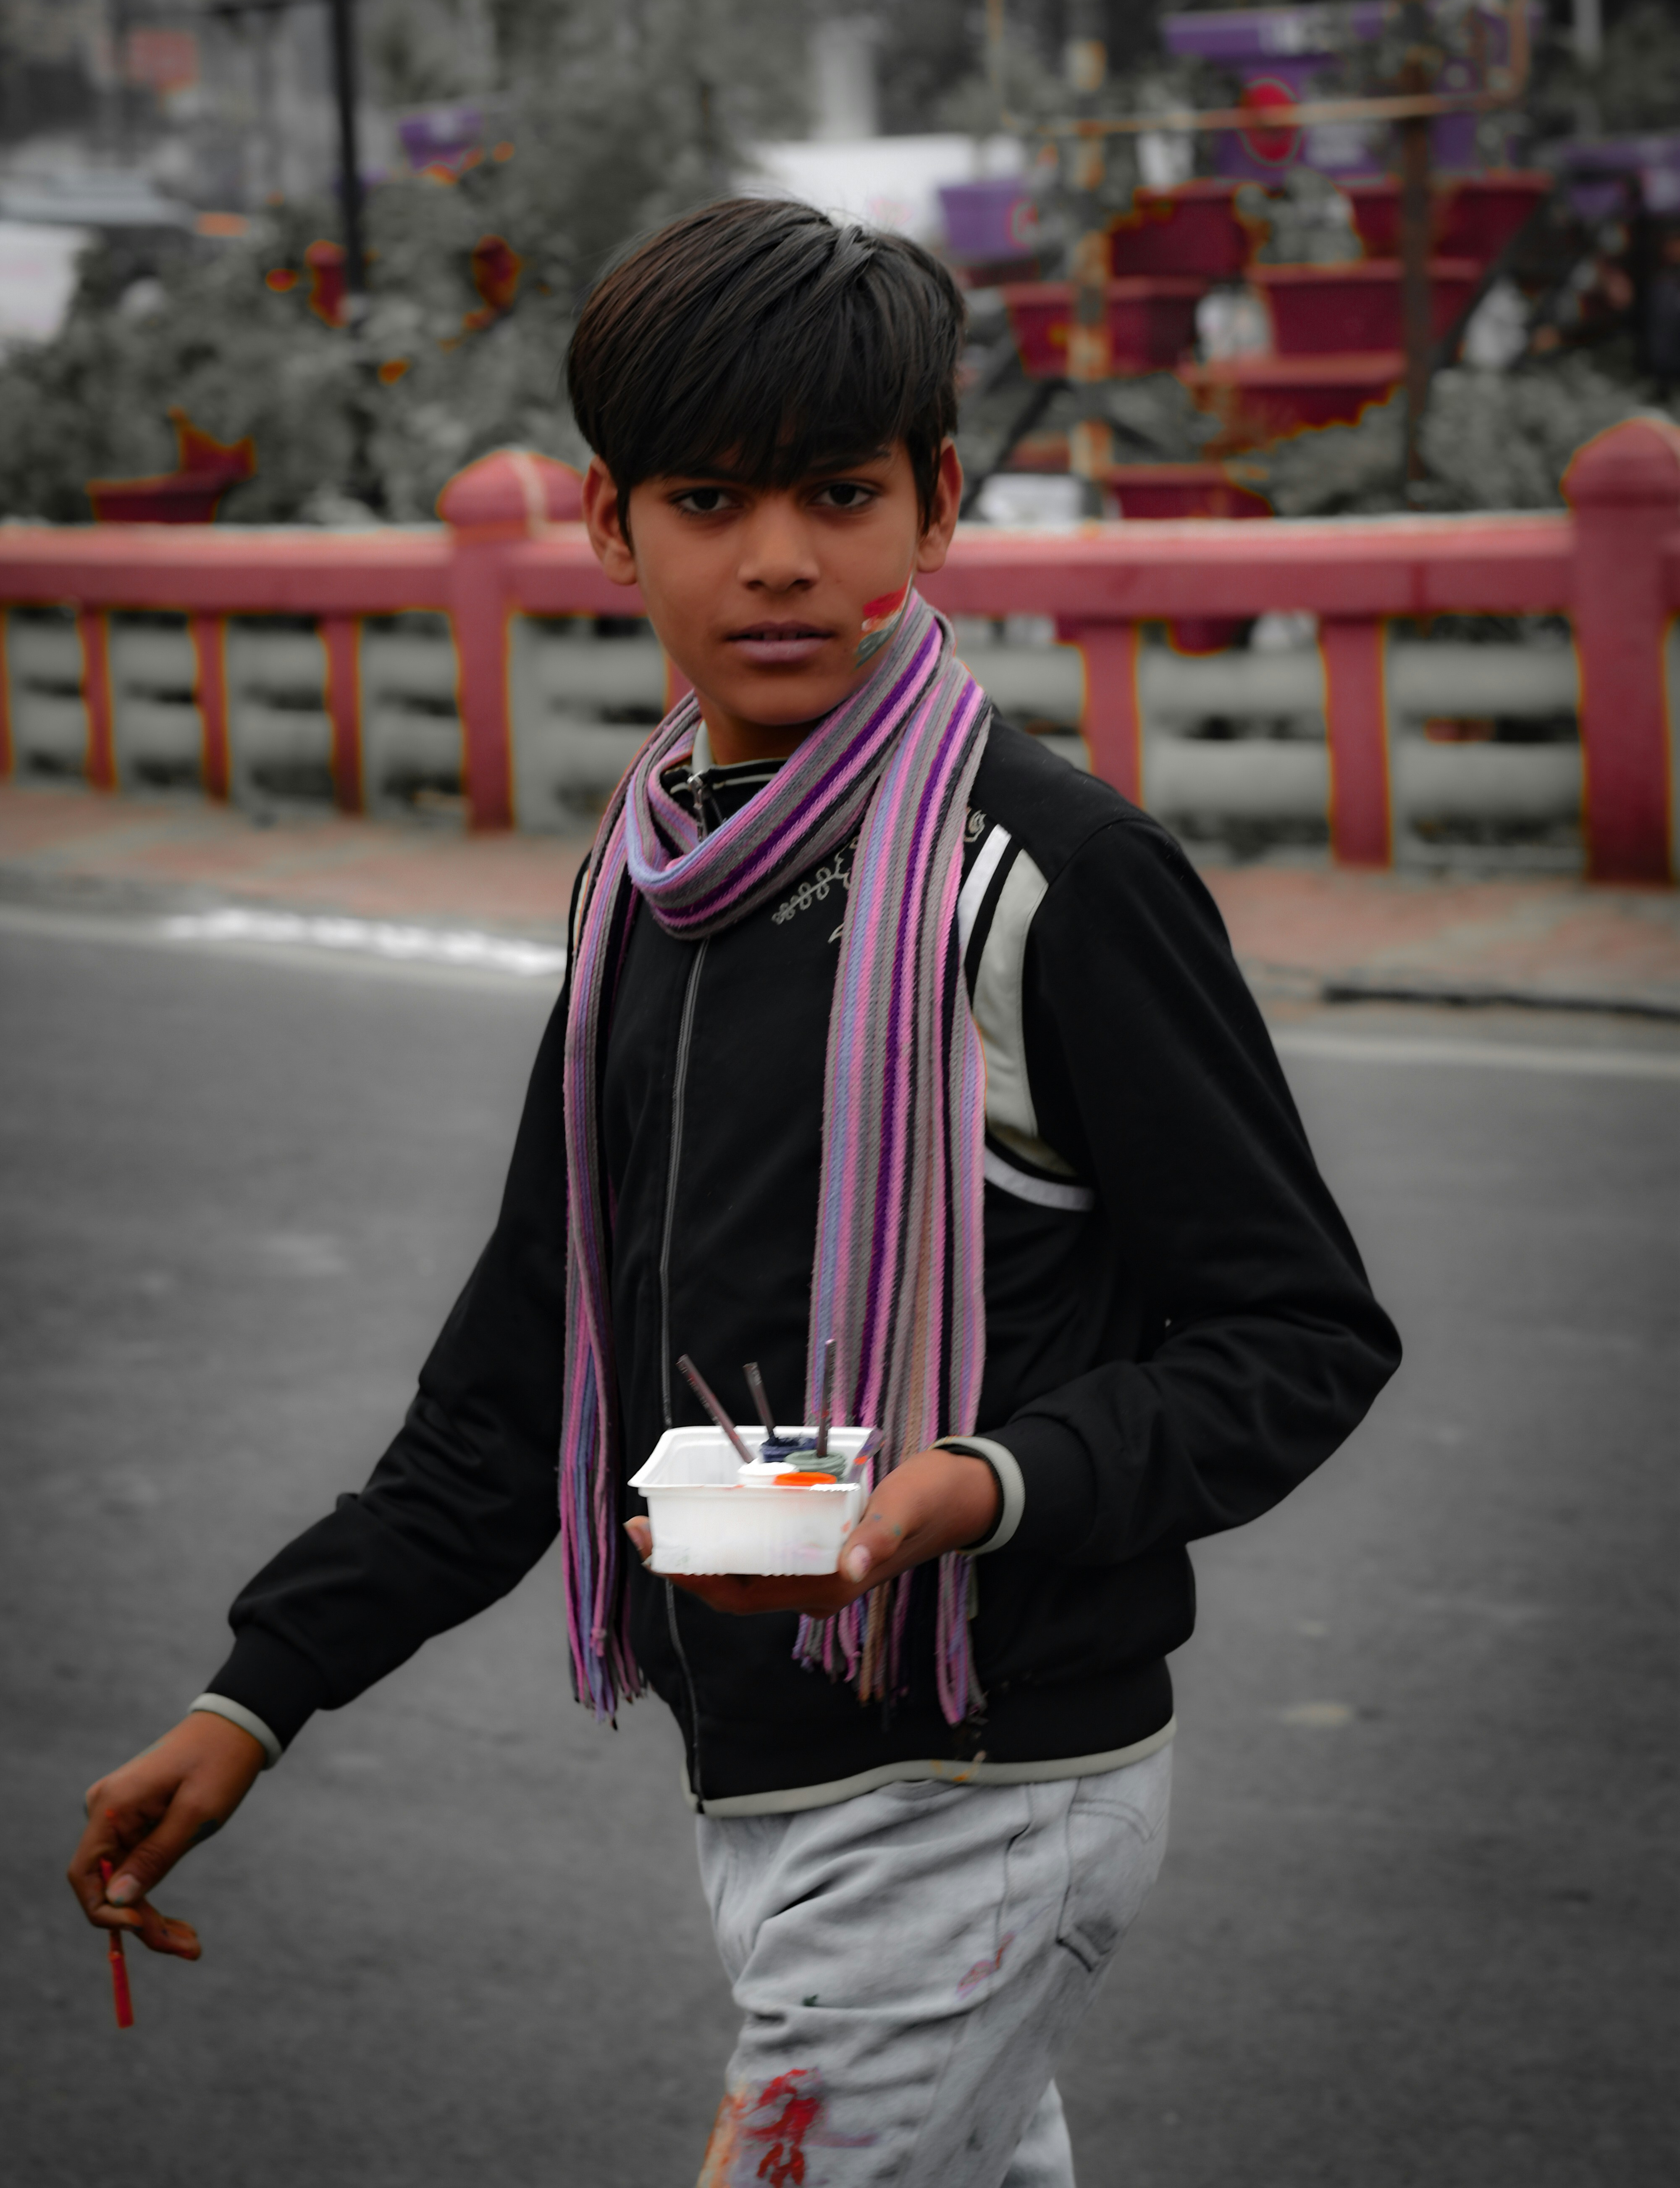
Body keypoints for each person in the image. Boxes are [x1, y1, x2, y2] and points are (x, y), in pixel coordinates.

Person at [68, 197, 1400, 2186]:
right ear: (613, 526)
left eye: (840, 494)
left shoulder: (1045, 882)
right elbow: (525, 1377)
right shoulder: (648, 885)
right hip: (765, 1785)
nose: (779, 560)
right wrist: (257, 1693)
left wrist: (979, 1483)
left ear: (934, 504)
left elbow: (1300, 1335)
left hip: (976, 1780)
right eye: (707, 498)